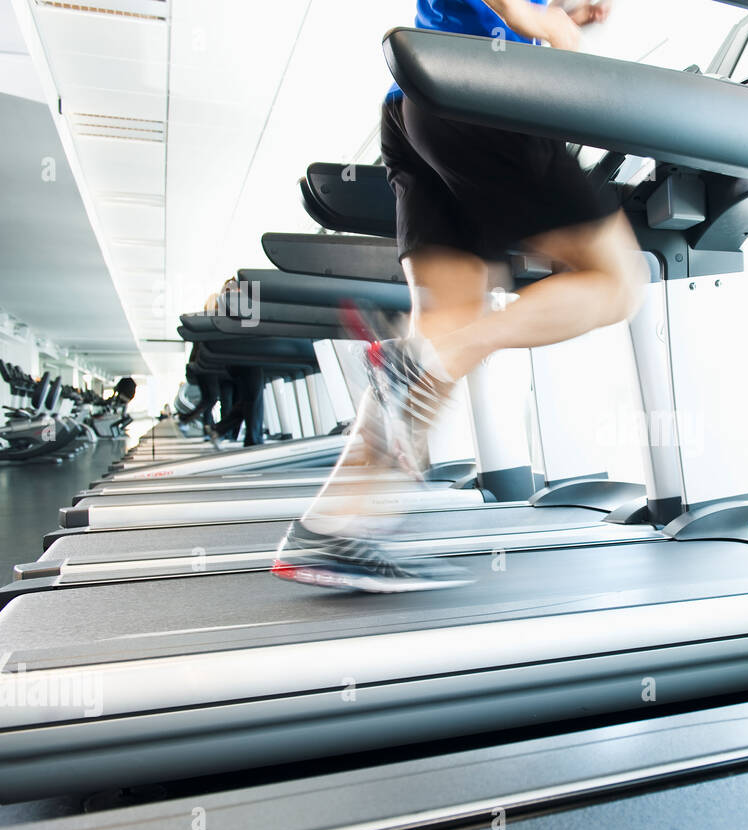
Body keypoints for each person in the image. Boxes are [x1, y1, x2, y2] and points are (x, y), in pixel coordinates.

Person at [272, 0, 645, 593]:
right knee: (619, 282)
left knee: (444, 327)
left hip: (420, 105)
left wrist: (556, 11)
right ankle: (417, 365)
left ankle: (331, 529)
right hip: (485, 92)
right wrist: (535, 20)